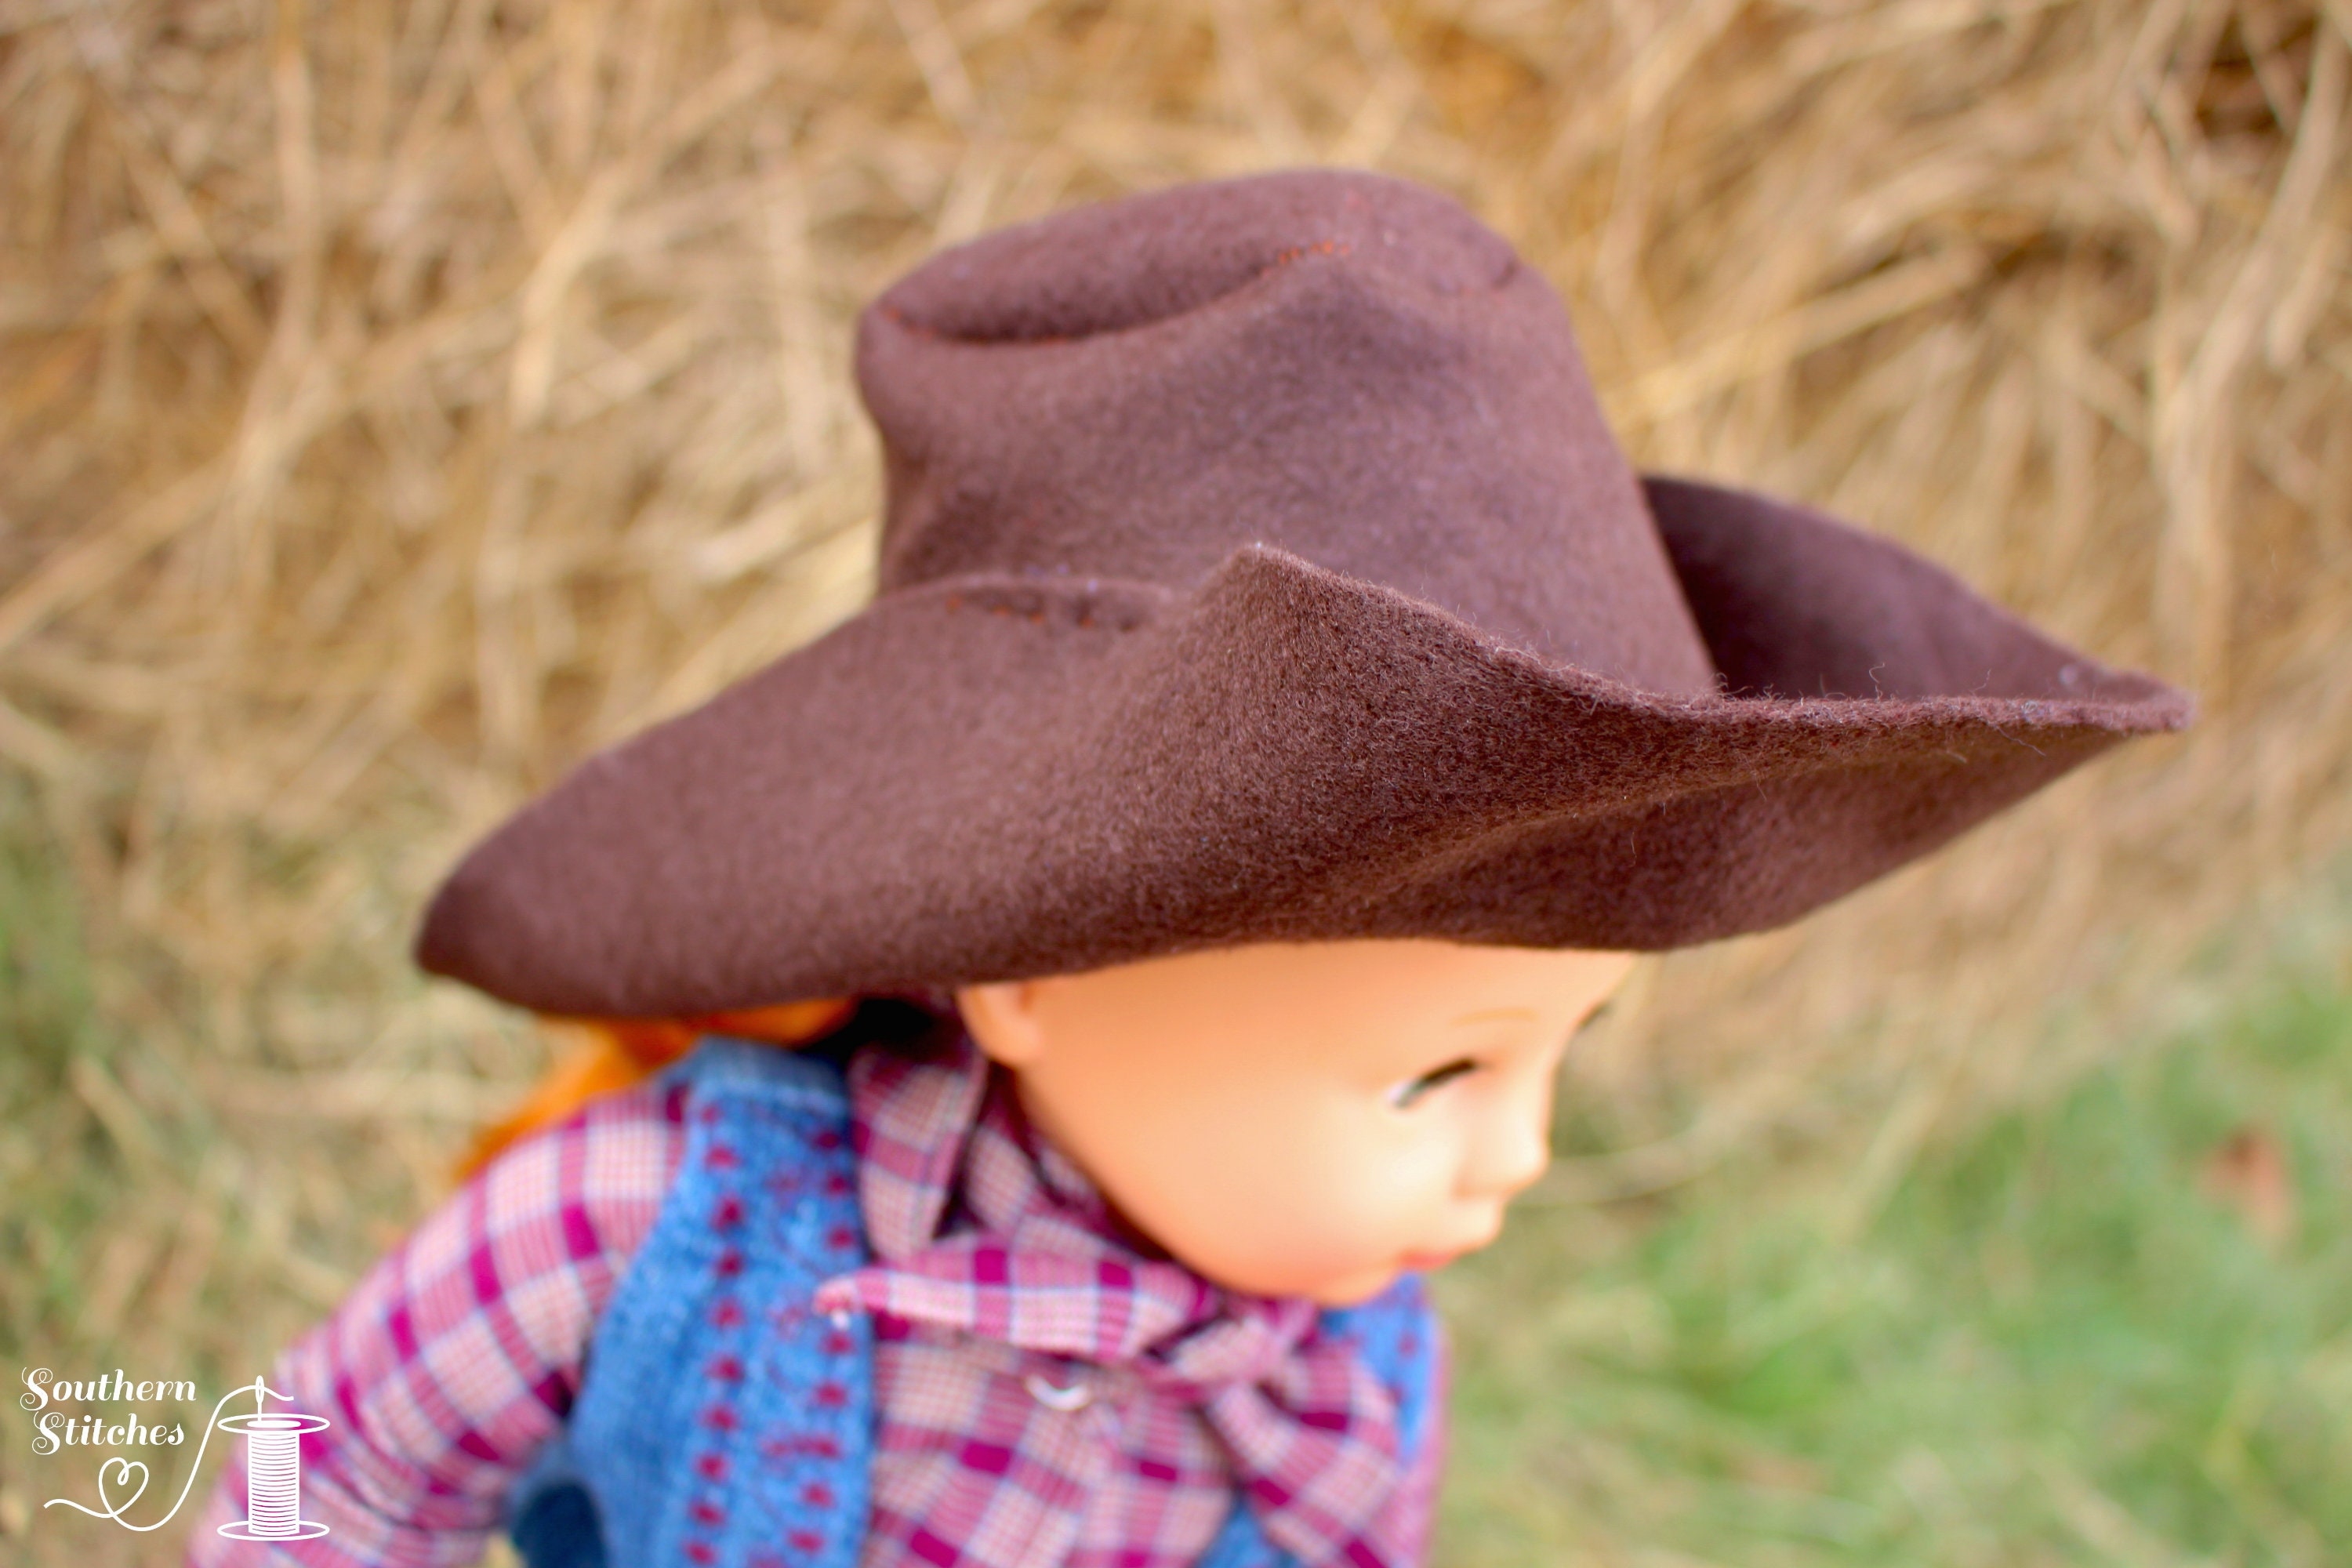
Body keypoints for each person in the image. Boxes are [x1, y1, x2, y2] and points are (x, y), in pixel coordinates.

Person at [187, 169, 2187, 1568]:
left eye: (1560, 1049)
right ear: (1035, 961)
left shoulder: (1348, 1376)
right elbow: (320, 1450)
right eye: (1441, 1074)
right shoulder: (650, 1227)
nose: (1521, 1162)